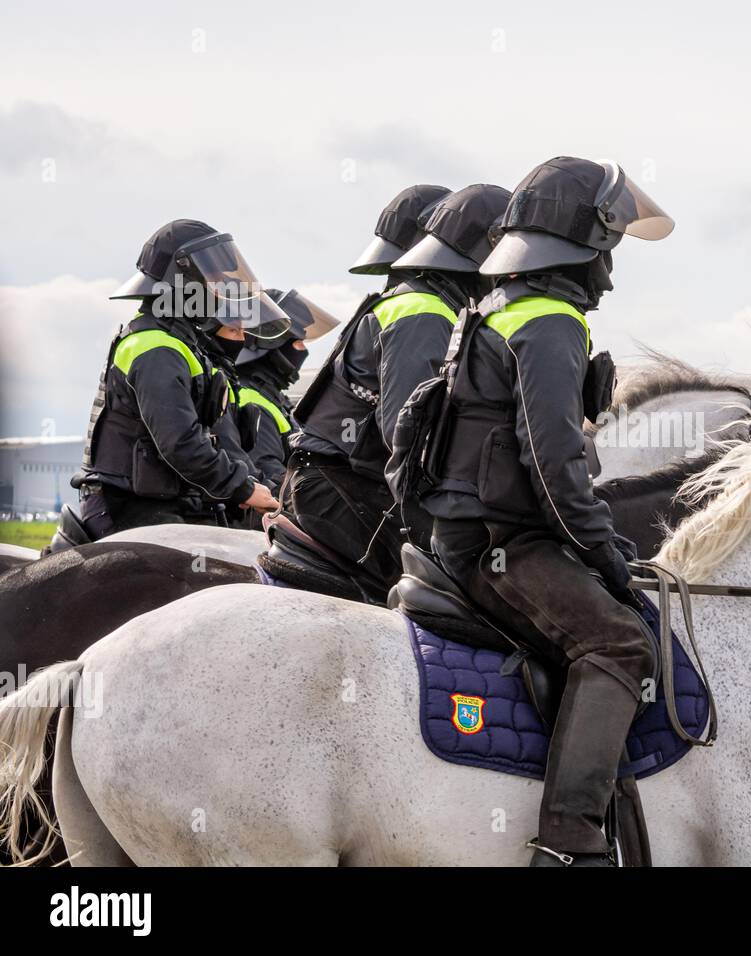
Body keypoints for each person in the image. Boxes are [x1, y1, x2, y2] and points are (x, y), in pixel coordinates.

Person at [418, 157, 674, 866]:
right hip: (506, 546)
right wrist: (606, 558)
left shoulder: (496, 306)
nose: (612, 267)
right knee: (622, 642)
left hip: (472, 533)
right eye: (610, 245)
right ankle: (568, 845)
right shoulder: (552, 321)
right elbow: (555, 469)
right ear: (582, 242)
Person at [277, 184, 503, 599]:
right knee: (467, 589)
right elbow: (408, 434)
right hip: (345, 490)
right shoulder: (424, 311)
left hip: (334, 483)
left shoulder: (408, 301)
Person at [67, 219, 285, 541]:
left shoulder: (182, 345)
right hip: (126, 506)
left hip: (162, 503)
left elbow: (216, 438)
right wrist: (243, 487)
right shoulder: (155, 347)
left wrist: (255, 485)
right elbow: (180, 443)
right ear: (183, 280)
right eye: (215, 278)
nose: (222, 289)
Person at [233, 288, 342, 499]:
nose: (304, 351)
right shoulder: (250, 399)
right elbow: (268, 472)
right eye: (298, 342)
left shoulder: (269, 396)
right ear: (271, 345)